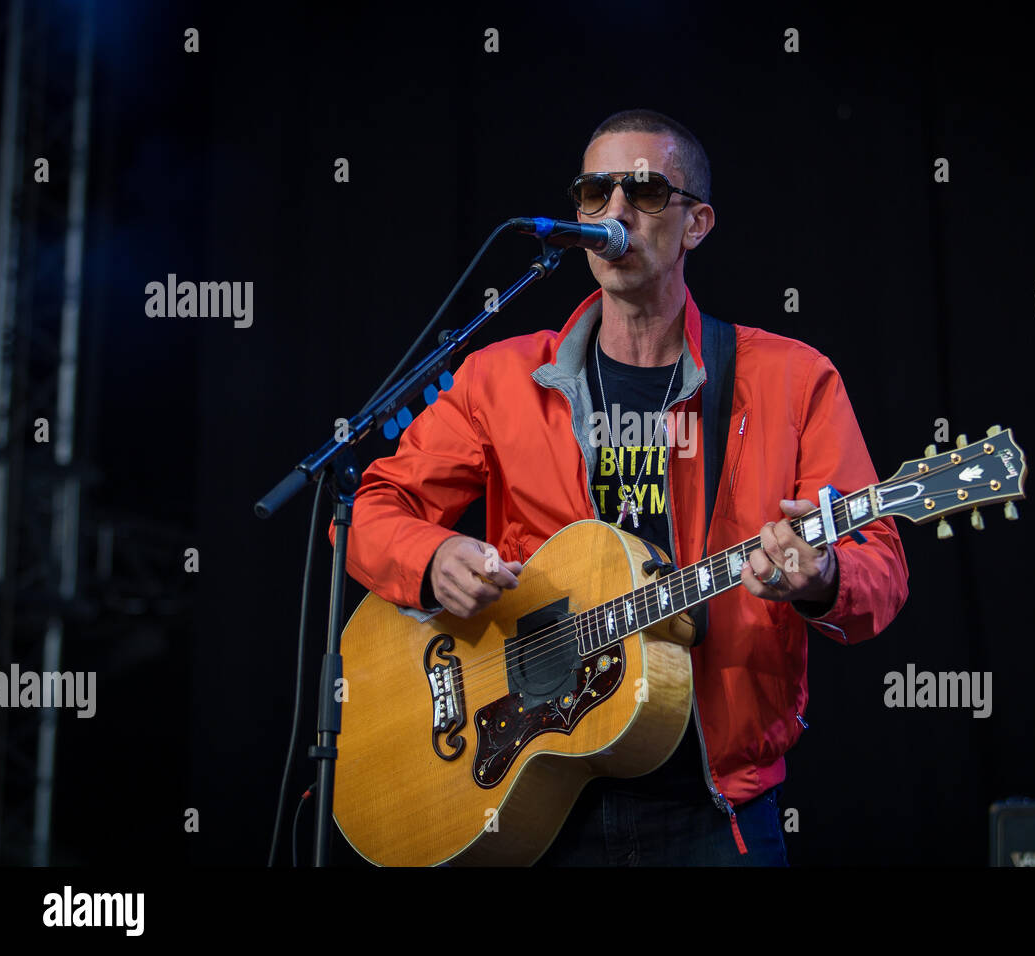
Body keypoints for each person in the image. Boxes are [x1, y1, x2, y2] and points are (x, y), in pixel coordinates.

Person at [339, 109, 909, 865]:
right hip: (533, 784)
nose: (614, 212)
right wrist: (432, 558)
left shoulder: (791, 378)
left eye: (642, 190)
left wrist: (824, 574)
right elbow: (371, 512)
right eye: (593, 192)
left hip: (710, 806)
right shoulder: (502, 377)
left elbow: (880, 563)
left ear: (696, 222)